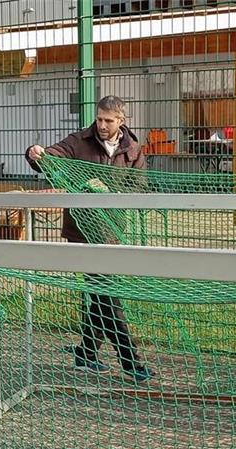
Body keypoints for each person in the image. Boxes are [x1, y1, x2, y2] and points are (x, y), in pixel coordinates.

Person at [25, 95, 151, 383]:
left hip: (111, 232)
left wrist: (111, 194)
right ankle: (131, 362)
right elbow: (51, 156)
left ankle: (86, 354)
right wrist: (35, 153)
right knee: (107, 294)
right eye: (99, 119)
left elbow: (141, 190)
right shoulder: (79, 141)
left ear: (121, 121)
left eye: (108, 120)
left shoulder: (133, 151)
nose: (102, 125)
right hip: (82, 232)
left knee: (100, 294)